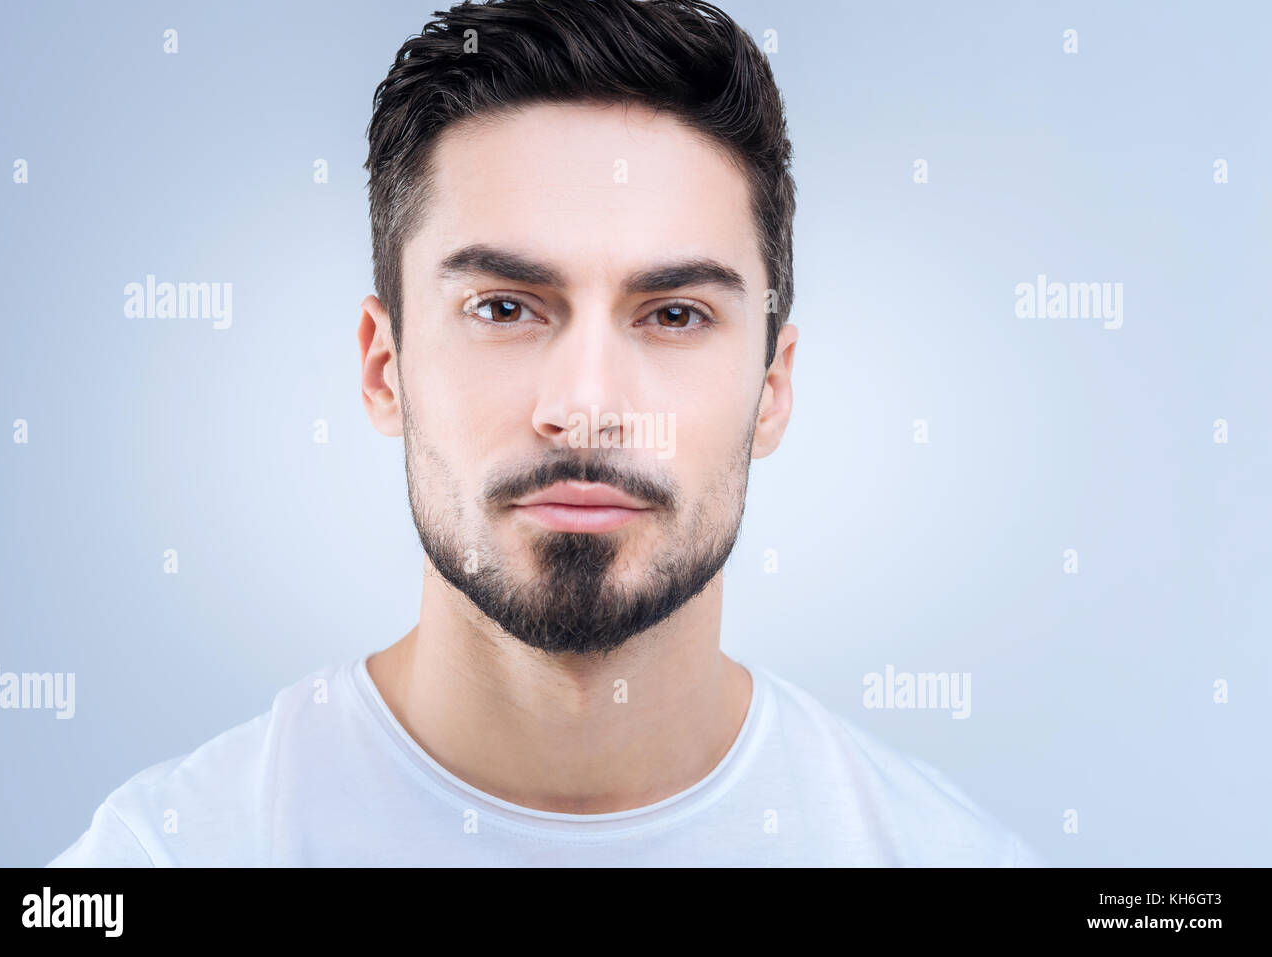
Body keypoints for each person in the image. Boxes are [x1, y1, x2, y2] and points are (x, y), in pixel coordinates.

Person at [50, 0, 1042, 867]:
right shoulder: (169, 855)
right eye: (504, 308)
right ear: (381, 366)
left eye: (674, 314)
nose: (585, 405)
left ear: (772, 389)